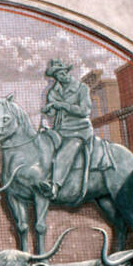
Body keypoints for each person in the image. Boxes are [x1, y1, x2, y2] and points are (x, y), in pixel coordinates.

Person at [39, 59, 94, 201]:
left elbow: (84, 110)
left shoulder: (82, 88)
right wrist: (49, 110)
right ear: (55, 77)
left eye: (63, 73)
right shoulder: (53, 92)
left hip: (79, 131)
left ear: (68, 72)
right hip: (60, 130)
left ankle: (54, 186)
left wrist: (62, 105)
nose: (62, 76)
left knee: (64, 152)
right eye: (58, 74)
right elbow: (52, 114)